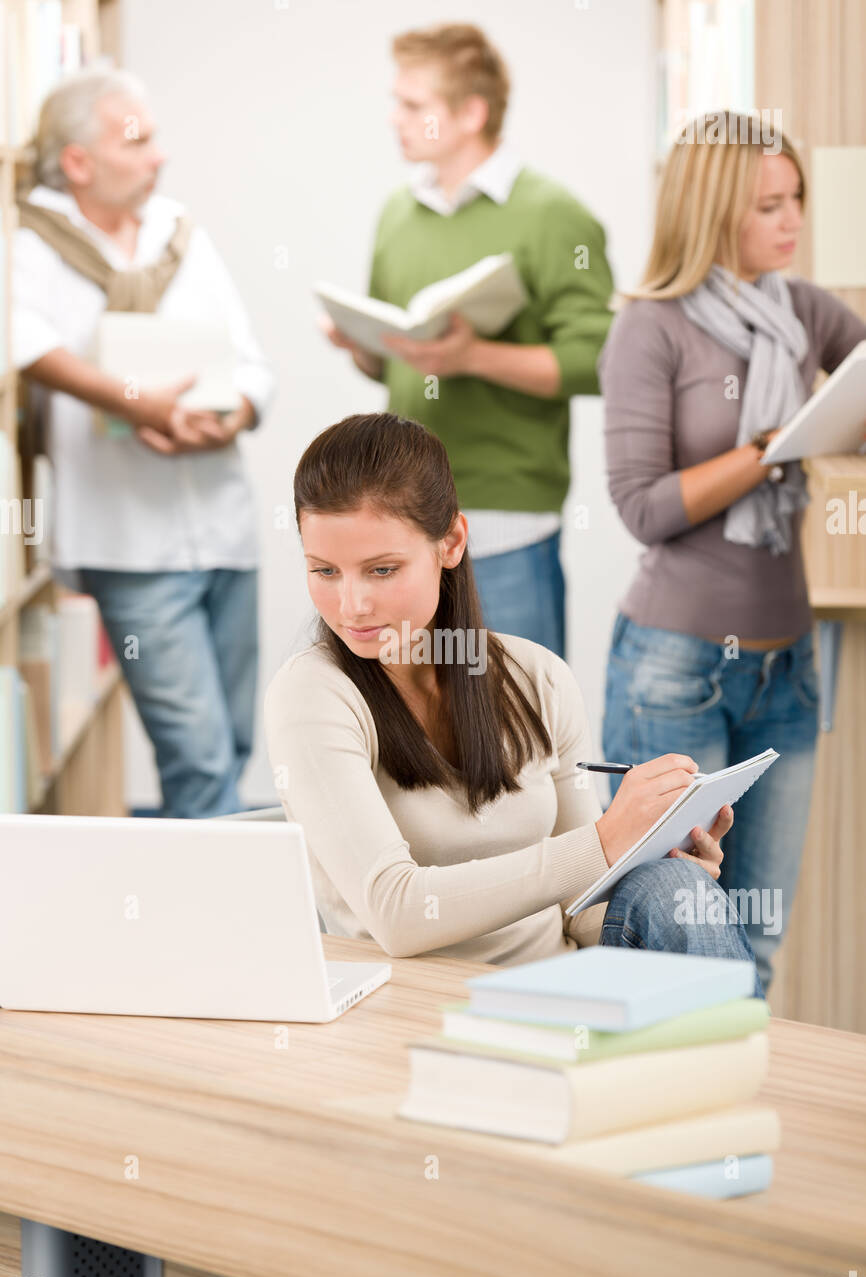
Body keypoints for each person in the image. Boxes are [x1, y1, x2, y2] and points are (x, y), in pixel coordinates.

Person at [264, 412, 762, 995]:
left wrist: (654, 868)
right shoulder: (313, 696)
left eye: (381, 570)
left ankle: (735, 1076)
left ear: (450, 542)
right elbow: (397, 913)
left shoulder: (538, 678)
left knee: (677, 893)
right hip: (412, 1008)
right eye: (324, 571)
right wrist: (603, 842)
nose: (350, 606)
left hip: (561, 994)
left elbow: (582, 910)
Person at [598, 111, 866, 992]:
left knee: (759, 949)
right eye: (768, 205)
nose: (792, 222)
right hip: (675, 672)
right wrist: (768, 452)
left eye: (796, 201)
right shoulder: (651, 327)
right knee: (683, 943)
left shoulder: (804, 309)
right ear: (713, 211)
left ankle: (738, 1129)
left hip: (787, 670)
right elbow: (642, 506)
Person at [12, 66, 275, 818]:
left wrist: (233, 414)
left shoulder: (179, 233)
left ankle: (218, 903)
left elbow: (253, 365)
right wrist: (138, 402)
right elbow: (24, 344)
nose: (160, 156)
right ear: (79, 162)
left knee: (230, 746)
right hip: (131, 547)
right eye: (139, 140)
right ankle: (230, 922)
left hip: (224, 530)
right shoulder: (30, 239)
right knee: (196, 759)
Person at [321, 22, 614, 659]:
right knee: (418, 737)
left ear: (471, 112)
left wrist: (471, 357)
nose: (395, 118)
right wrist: (365, 345)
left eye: (413, 105)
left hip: (503, 524)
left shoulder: (551, 213)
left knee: (520, 731)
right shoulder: (399, 212)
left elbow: (598, 360)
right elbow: (397, 363)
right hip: (400, 518)